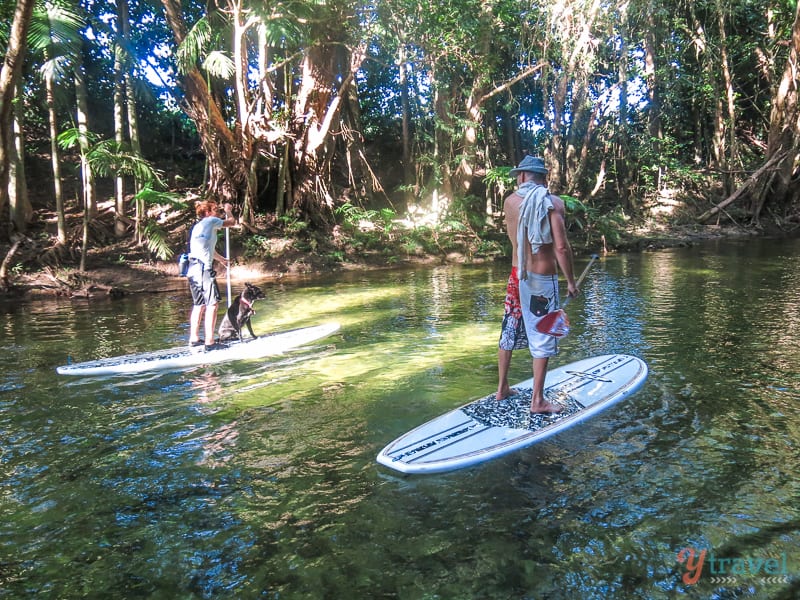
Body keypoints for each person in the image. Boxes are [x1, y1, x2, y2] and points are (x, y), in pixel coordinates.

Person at [504, 155, 578, 414]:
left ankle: (502, 387)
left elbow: (514, 239)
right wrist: (570, 281)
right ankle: (538, 401)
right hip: (543, 280)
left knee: (511, 328)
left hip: (517, 275)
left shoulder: (510, 203)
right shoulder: (552, 204)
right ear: (544, 178)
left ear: (522, 176)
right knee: (543, 337)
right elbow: (560, 246)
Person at [186, 200, 236, 351]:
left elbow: (207, 249)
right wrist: (228, 211)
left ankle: (194, 339)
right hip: (203, 270)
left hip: (192, 269)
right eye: (215, 210)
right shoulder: (211, 221)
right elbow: (231, 222)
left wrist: (222, 260)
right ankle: (210, 342)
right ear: (207, 213)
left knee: (199, 304)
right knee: (212, 304)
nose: (218, 213)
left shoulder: (197, 227)